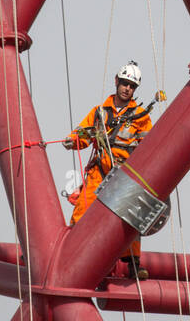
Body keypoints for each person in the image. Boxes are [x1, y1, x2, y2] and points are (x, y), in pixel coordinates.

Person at [63, 62, 152, 279]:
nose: (127, 89)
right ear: (116, 81)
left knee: (130, 217)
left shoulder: (140, 117)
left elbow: (149, 145)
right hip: (100, 171)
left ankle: (133, 265)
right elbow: (83, 134)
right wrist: (73, 140)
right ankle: (66, 250)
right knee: (82, 210)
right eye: (124, 83)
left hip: (125, 173)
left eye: (131, 86)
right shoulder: (100, 113)